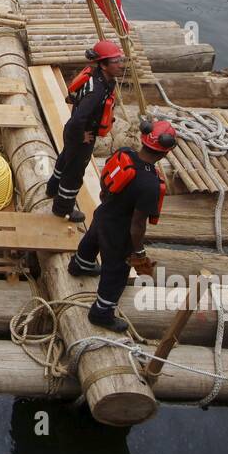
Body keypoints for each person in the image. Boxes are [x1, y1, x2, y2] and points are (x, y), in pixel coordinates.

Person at [68, 118, 177, 331]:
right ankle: (102, 312)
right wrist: (138, 252)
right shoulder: (150, 184)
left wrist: (106, 197)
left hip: (103, 213)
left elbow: (105, 176)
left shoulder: (124, 153)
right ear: (165, 152)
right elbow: (137, 224)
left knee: (91, 240)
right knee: (116, 270)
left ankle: (80, 264)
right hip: (119, 231)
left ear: (144, 139)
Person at [46, 38, 126, 223]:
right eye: (116, 61)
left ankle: (51, 188)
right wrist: (82, 135)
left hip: (73, 134)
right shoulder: (96, 91)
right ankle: (62, 208)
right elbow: (78, 119)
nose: (121, 65)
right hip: (80, 136)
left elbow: (74, 99)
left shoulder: (96, 76)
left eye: (120, 59)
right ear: (104, 65)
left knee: (65, 160)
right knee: (74, 174)